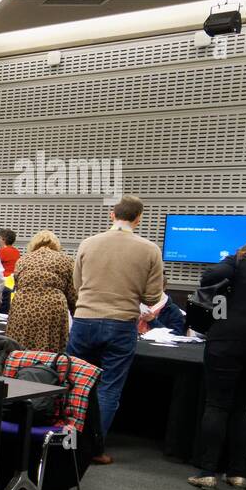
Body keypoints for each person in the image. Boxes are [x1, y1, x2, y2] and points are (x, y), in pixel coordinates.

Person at [67, 196, 164, 462]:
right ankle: (94, 450)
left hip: (85, 320)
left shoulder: (88, 244)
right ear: (138, 218)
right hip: (121, 324)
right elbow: (154, 296)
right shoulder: (149, 249)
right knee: (108, 388)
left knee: (76, 382)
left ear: (112, 215)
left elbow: (77, 286)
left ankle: (66, 442)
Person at [188, 241, 246, 490]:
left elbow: (208, 278)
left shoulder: (238, 263)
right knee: (243, 409)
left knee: (217, 404)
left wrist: (232, 258)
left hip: (227, 338)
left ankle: (207, 471)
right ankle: (237, 473)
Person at [6, 230, 76, 353]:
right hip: (52, 306)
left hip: (22, 305)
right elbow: (72, 294)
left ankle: (19, 367)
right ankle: (45, 369)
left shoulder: (23, 260)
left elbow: (17, 285)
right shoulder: (66, 260)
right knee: (49, 344)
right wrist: (76, 316)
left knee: (20, 343)